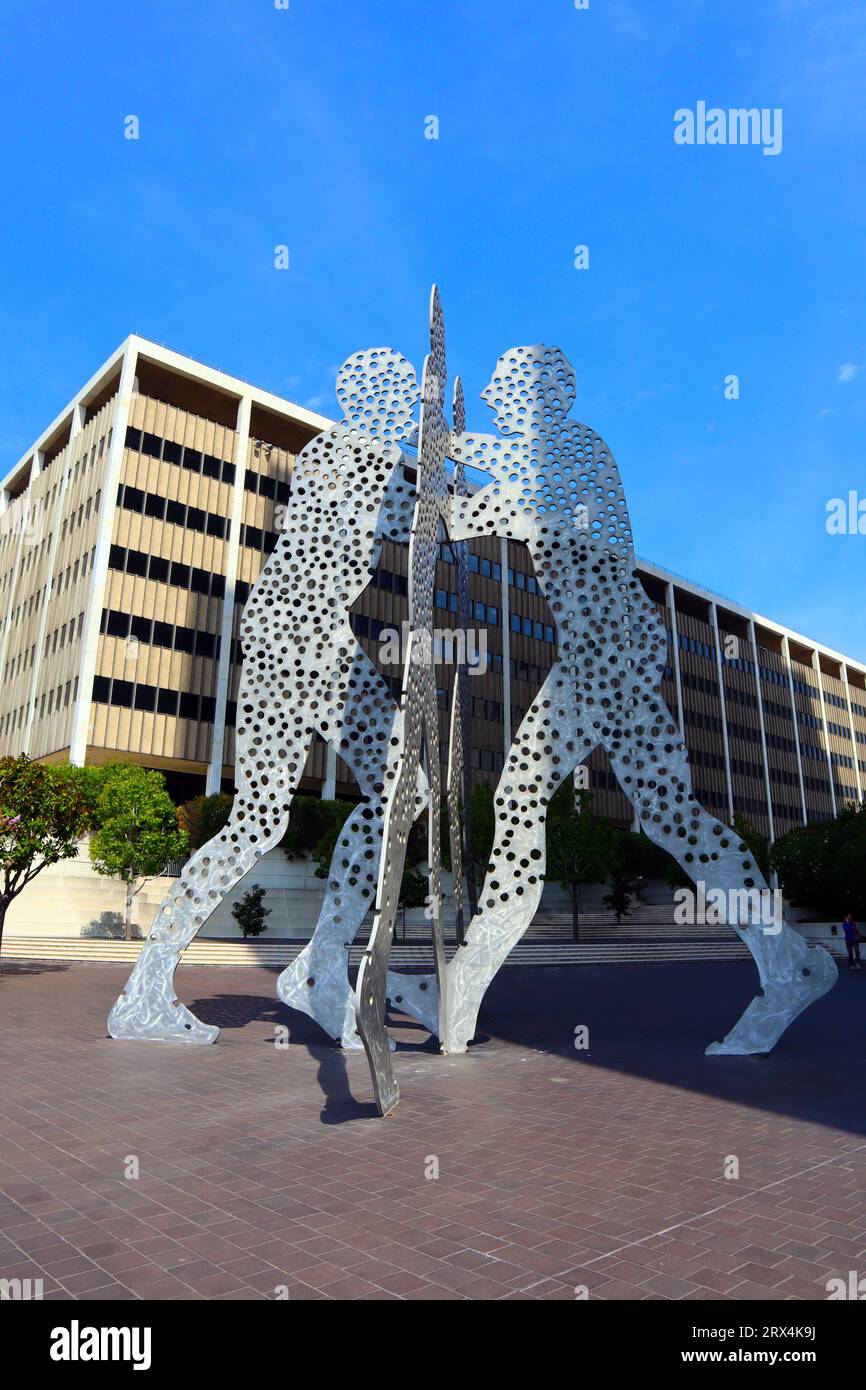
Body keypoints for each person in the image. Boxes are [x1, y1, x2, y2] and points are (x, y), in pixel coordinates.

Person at [389, 344, 837, 1057]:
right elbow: (493, 473)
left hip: (604, 651)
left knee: (519, 800)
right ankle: (789, 964)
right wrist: (444, 442)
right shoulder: (556, 450)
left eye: (513, 387)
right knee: (672, 819)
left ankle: (460, 992)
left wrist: (437, 468)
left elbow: (490, 507)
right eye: (502, 388)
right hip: (614, 649)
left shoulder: (568, 451)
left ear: (550, 397)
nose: (504, 398)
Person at [107, 348, 426, 1046]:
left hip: (292, 630)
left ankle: (163, 984)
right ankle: (309, 969)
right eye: (401, 398)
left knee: (263, 820)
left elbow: (416, 519)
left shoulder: (341, 456)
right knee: (402, 786)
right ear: (377, 402)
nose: (405, 411)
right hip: (303, 633)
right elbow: (421, 518)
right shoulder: (358, 457)